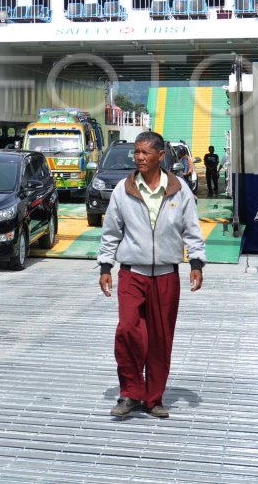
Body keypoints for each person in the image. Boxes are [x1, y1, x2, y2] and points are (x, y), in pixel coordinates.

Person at [97, 131, 205, 419]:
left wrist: (196, 262)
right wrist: (106, 266)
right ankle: (131, 392)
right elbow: (111, 231)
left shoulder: (178, 189)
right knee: (128, 330)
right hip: (132, 272)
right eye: (137, 152)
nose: (139, 158)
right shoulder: (124, 188)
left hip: (168, 274)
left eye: (145, 152)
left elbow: (192, 228)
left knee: (160, 338)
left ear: (160, 156)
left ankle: (153, 398)